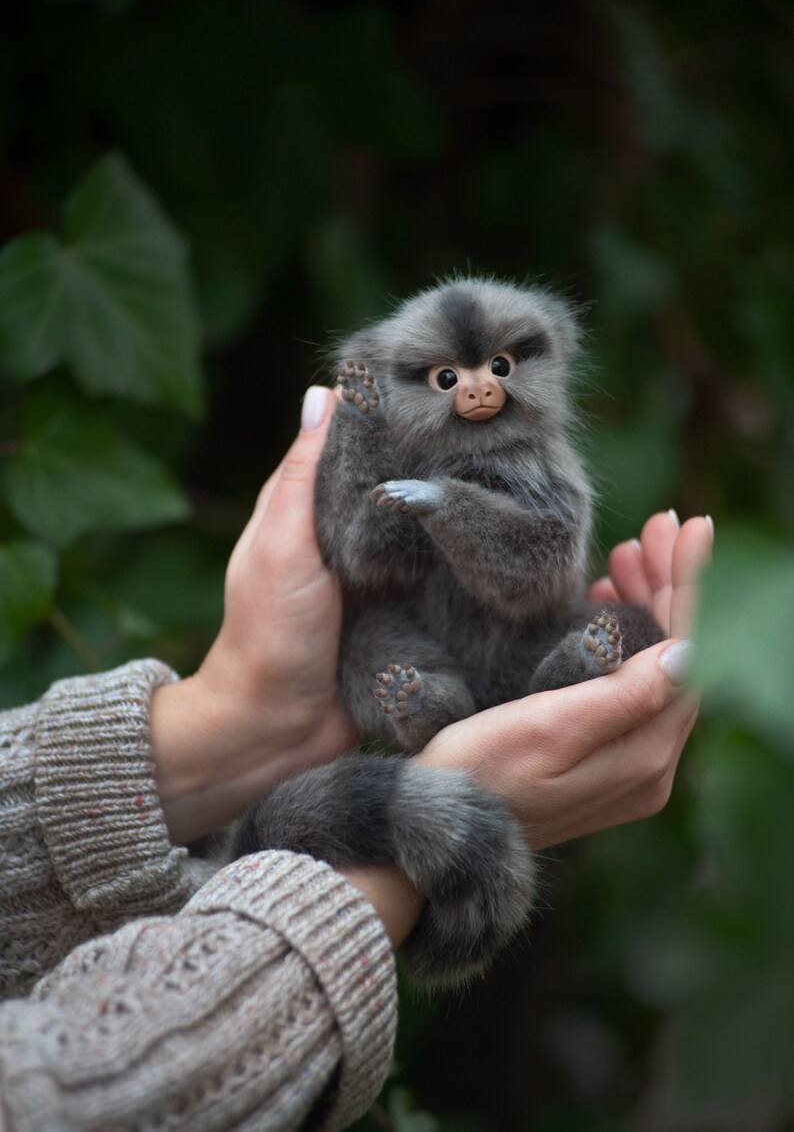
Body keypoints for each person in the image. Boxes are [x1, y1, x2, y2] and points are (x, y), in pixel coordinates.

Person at [0, 386, 711, 1131]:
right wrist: (410, 853)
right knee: (404, 665)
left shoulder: (533, 460)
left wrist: (243, 714)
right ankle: (447, 708)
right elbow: (72, 1097)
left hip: (500, 646)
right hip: (404, 661)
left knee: (620, 628)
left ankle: (556, 673)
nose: (476, 391)